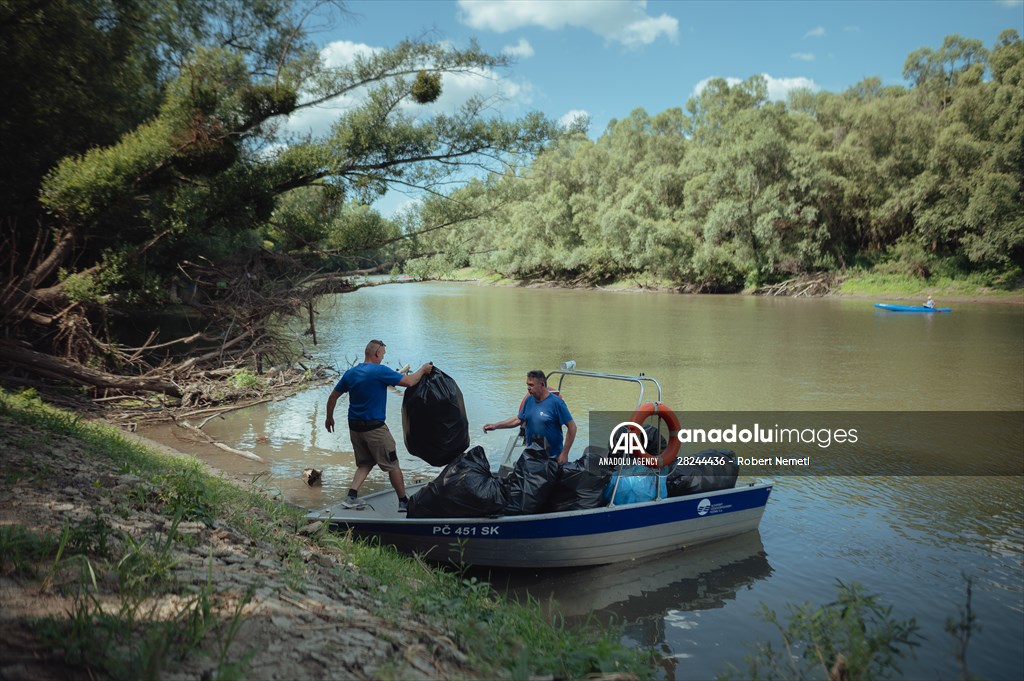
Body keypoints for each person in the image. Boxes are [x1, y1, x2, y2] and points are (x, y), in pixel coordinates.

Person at [325, 339, 433, 511]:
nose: (383, 358)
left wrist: (329, 418)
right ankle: (403, 501)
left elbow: (332, 397)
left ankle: (351, 496)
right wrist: (423, 370)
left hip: (355, 427)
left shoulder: (351, 373)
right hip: (374, 428)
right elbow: (410, 382)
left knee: (366, 462)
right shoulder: (379, 371)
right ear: (377, 353)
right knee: (393, 464)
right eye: (383, 354)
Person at [483, 370, 577, 463]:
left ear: (542, 385)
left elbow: (572, 427)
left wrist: (564, 454)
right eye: (527, 385)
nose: (528, 388)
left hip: (552, 457)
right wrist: (496, 426)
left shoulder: (556, 403)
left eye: (531, 385)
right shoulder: (529, 400)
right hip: (532, 455)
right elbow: (518, 420)